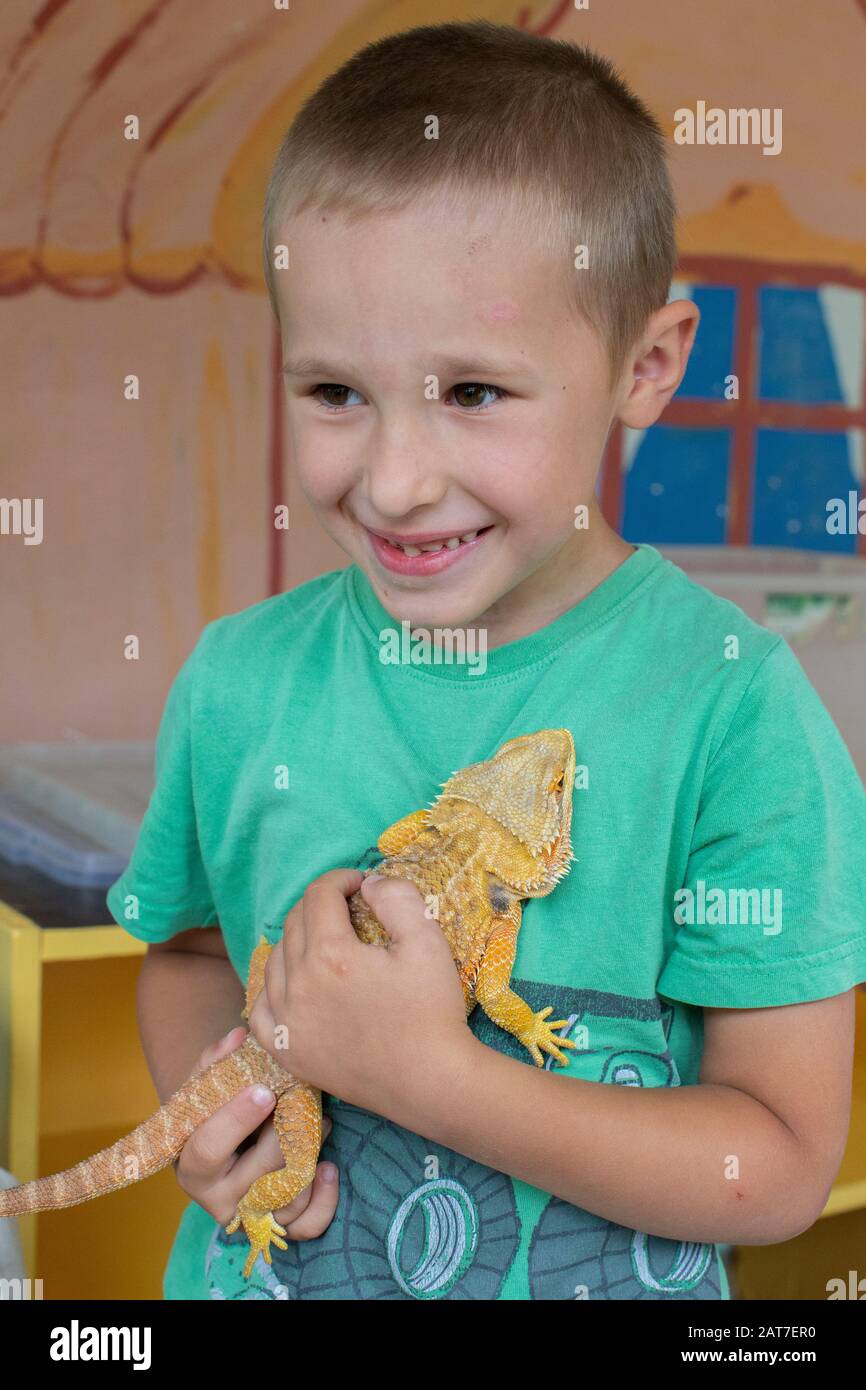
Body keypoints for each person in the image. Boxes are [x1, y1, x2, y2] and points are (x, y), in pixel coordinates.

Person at [107, 19, 866, 1301]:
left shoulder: (733, 710)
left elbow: (781, 1169)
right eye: (335, 392)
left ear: (645, 366)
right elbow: (187, 957)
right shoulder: (235, 680)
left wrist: (431, 1078)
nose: (395, 483)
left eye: (472, 393)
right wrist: (209, 1116)